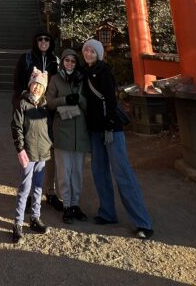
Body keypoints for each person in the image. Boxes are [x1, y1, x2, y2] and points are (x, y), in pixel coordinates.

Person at [82, 38, 154, 240]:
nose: (88, 54)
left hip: (111, 129)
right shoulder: (84, 72)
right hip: (95, 130)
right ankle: (107, 212)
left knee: (122, 172)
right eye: (86, 51)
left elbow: (110, 101)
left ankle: (142, 221)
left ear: (99, 54)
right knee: (99, 171)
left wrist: (108, 125)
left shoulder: (104, 72)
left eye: (92, 51)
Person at [12, 30, 63, 211]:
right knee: (29, 151)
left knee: (49, 152)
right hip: (28, 108)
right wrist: (21, 101)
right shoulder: (26, 58)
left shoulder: (55, 61)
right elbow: (17, 82)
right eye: (40, 39)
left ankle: (49, 191)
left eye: (47, 39)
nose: (43, 42)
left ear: (51, 42)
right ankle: (27, 195)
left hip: (47, 110)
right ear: (35, 41)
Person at [45, 48, 91, 223]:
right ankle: (66, 205)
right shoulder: (56, 79)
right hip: (62, 129)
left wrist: (79, 99)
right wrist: (65, 100)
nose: (70, 64)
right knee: (64, 171)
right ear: (62, 62)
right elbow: (49, 103)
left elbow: (89, 105)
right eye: (66, 61)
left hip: (80, 130)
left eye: (73, 61)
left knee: (78, 171)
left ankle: (75, 204)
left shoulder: (82, 80)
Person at [10, 67, 52, 243]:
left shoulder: (44, 105)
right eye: (35, 84)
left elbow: (47, 127)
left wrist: (50, 143)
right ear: (30, 85)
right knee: (24, 188)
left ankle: (35, 217)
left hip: (43, 151)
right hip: (28, 151)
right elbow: (16, 127)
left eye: (40, 86)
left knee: (38, 187)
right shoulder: (22, 103)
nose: (37, 88)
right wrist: (20, 149)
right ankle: (18, 223)